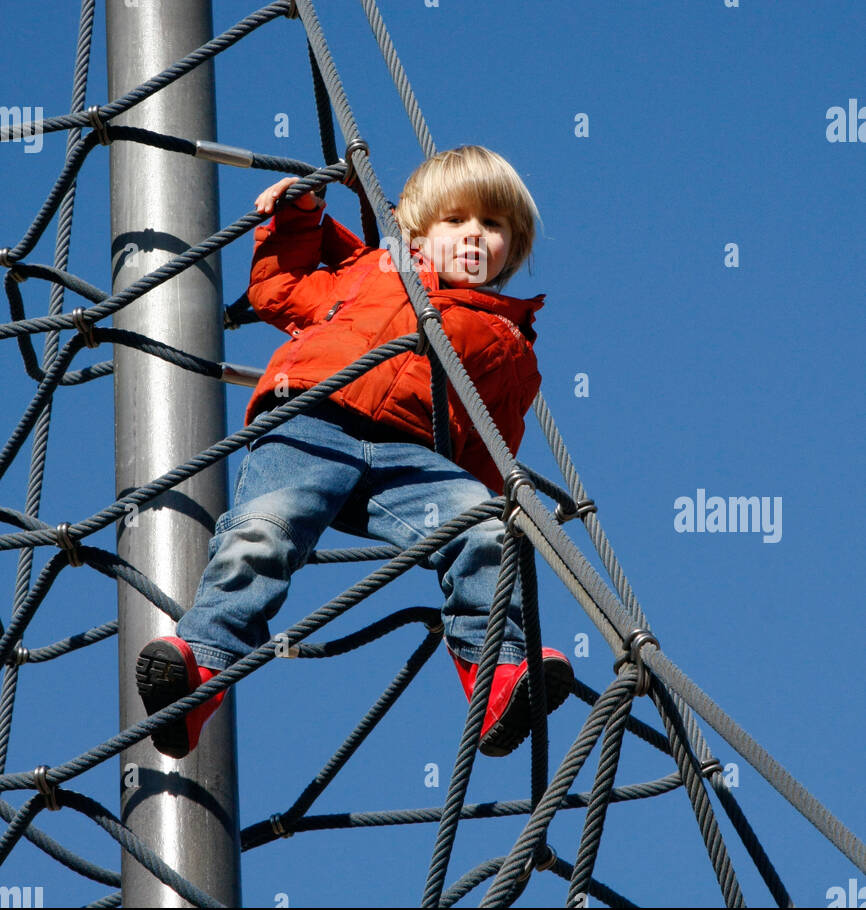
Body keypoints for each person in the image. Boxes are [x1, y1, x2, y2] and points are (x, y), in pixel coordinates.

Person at [136, 145, 573, 758]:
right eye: (455, 220)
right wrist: (300, 217)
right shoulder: (373, 271)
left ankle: (495, 673)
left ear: (515, 244)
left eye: (493, 225)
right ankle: (201, 668)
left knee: (487, 530)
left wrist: (486, 510)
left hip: (409, 462)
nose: (474, 235)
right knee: (262, 534)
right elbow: (278, 291)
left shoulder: (508, 342)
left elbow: (486, 445)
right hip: (312, 421)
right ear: (417, 230)